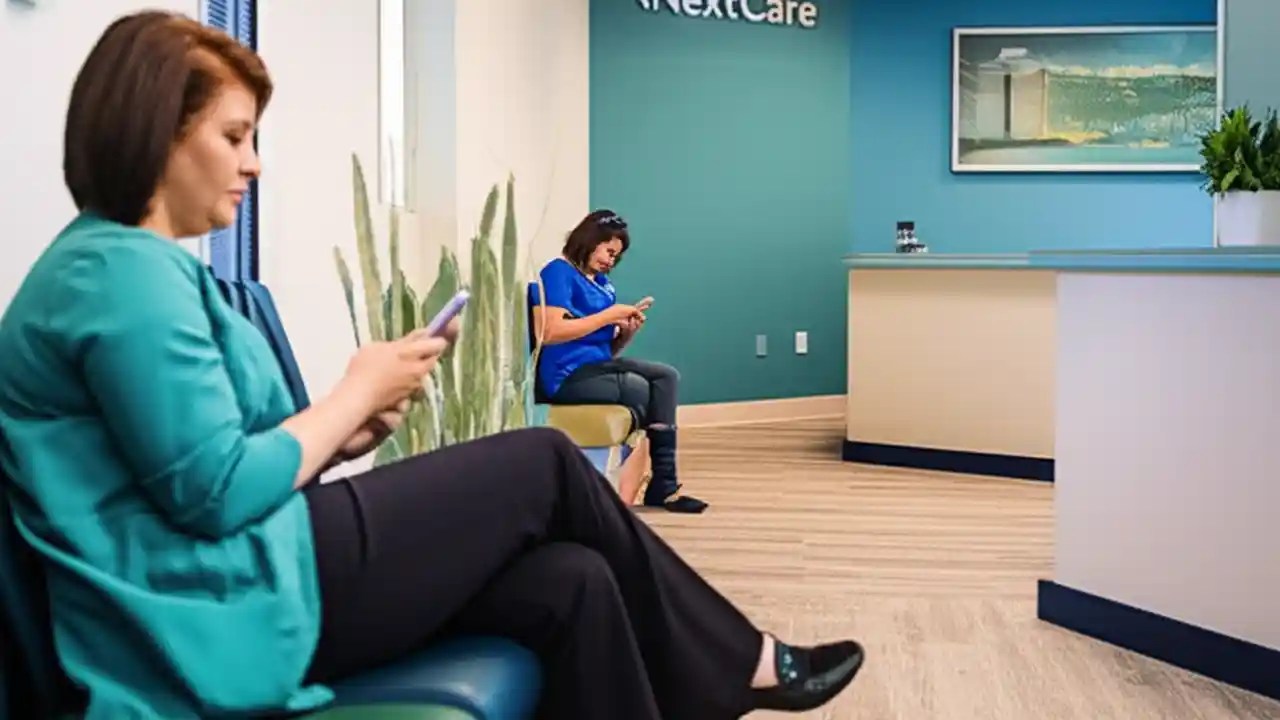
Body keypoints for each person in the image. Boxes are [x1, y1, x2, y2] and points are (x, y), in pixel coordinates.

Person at [0, 11, 865, 720]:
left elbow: (200, 464)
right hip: (219, 604)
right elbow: (217, 490)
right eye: (234, 136)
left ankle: (723, 673)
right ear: (156, 131)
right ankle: (745, 661)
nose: (254, 162)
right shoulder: (114, 274)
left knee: (574, 582)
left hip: (250, 566)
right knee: (541, 460)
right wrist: (349, 399)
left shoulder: (139, 270)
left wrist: (350, 433)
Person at [534, 210, 708, 513]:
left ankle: (664, 483)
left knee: (666, 376)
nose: (611, 260)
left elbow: (606, 350)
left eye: (617, 256)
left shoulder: (604, 286)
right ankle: (650, 486)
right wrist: (611, 315)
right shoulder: (559, 272)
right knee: (642, 387)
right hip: (566, 376)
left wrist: (625, 332)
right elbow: (548, 332)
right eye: (609, 251)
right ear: (589, 241)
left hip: (597, 368)